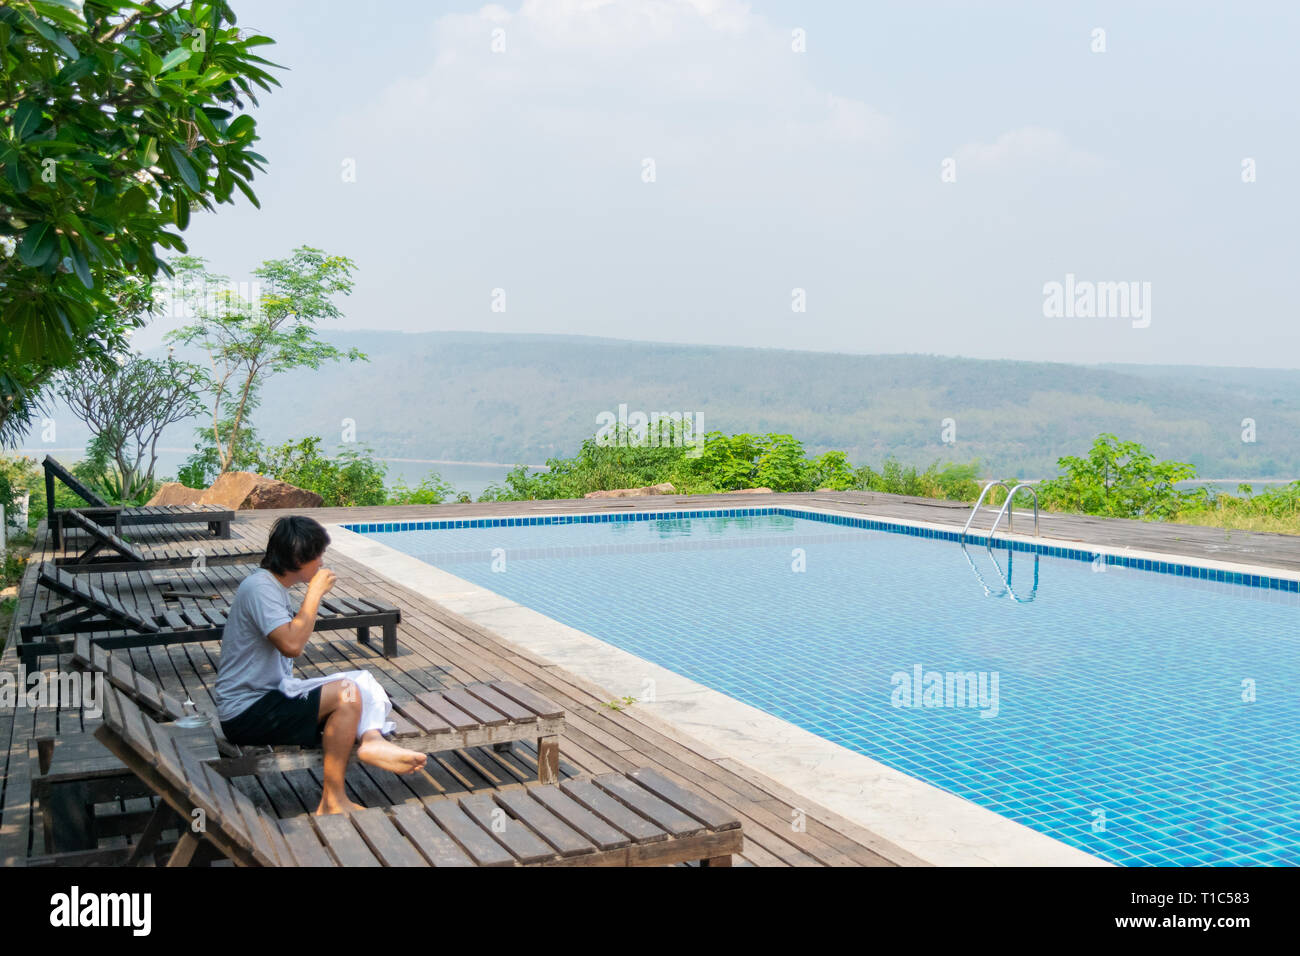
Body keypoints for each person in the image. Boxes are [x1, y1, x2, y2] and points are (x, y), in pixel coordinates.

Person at [213, 515, 426, 815]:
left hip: (272, 695)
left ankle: (372, 740)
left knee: (363, 680)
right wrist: (313, 595)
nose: (322, 561)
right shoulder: (259, 589)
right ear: (299, 559)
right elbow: (292, 645)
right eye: (318, 555)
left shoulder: (269, 586)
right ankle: (333, 798)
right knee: (346, 693)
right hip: (247, 711)